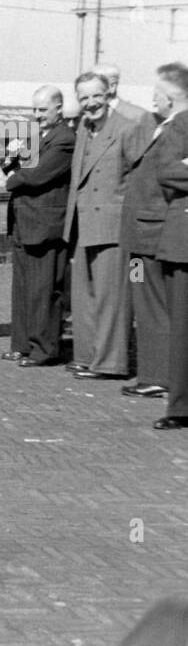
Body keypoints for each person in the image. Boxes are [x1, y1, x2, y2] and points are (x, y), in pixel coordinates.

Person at [65, 70, 146, 381]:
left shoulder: (127, 128)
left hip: (113, 226)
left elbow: (140, 179)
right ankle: (87, 356)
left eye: (96, 95)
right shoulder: (84, 128)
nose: (91, 103)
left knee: (112, 298)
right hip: (83, 223)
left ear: (108, 94)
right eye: (84, 97)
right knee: (84, 298)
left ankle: (111, 363)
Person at [121, 64, 188, 398]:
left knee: (152, 306)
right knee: (142, 302)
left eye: (155, 95)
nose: (152, 101)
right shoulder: (161, 127)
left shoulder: (177, 127)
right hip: (139, 238)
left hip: (151, 237)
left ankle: (157, 375)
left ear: (168, 96)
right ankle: (151, 371)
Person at [1, 86, 76, 367]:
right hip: (24, 221)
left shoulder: (65, 139)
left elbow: (35, 176)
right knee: (22, 287)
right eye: (34, 110)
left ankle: (44, 350)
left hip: (45, 224)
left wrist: (13, 174)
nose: (37, 115)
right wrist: (13, 162)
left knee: (44, 289)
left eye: (43, 110)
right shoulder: (36, 137)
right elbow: (15, 167)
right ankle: (21, 345)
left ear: (59, 108)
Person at [152, 71, 188, 431]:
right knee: (183, 328)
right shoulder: (182, 124)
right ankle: (181, 406)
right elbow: (169, 171)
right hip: (184, 242)